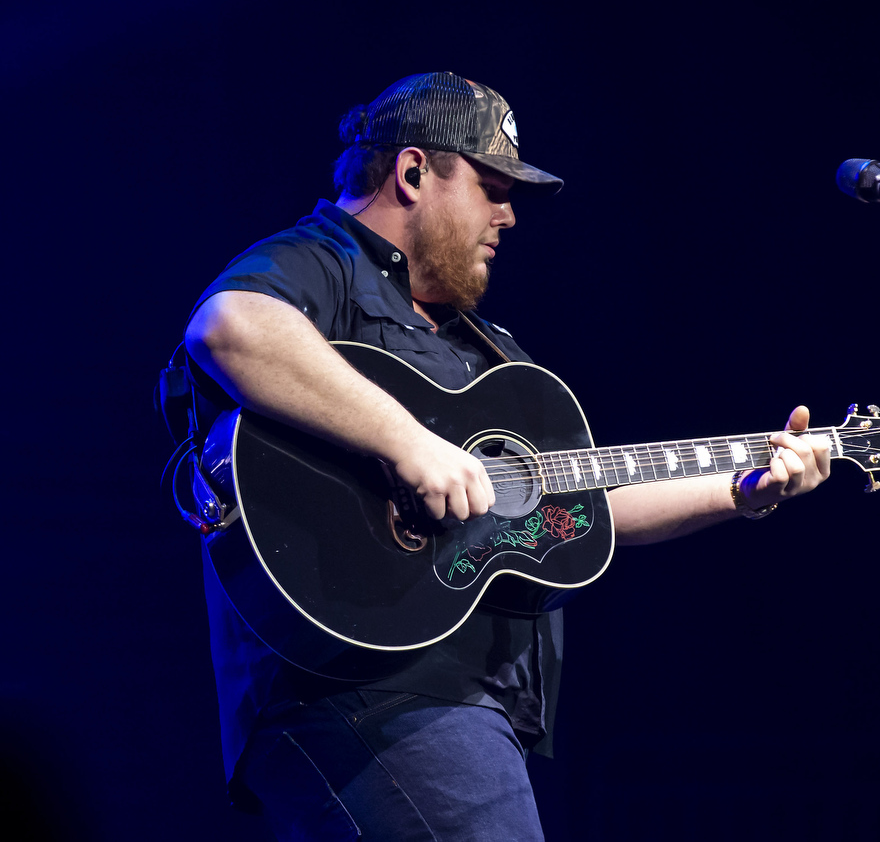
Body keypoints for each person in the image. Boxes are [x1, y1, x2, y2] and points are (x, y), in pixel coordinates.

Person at [180, 71, 830, 840]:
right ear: (414, 172)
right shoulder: (322, 263)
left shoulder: (493, 356)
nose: (509, 215)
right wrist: (408, 443)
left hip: (461, 701)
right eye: (491, 187)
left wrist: (745, 489)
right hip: (359, 683)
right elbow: (230, 327)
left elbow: (588, 504)